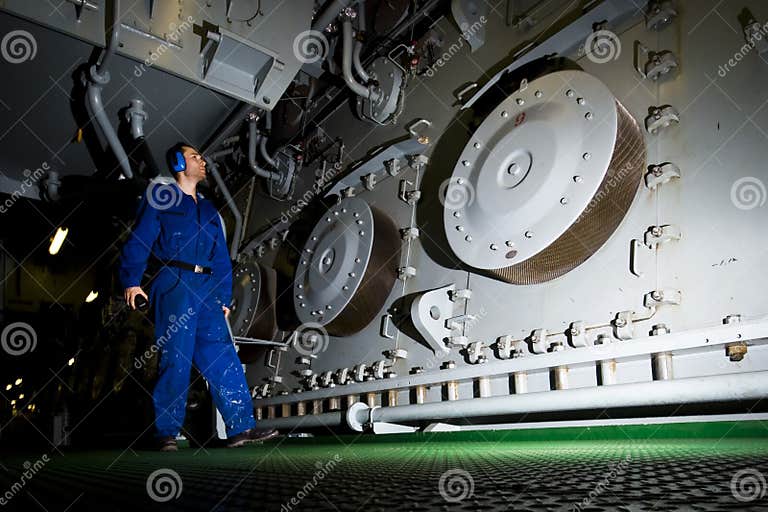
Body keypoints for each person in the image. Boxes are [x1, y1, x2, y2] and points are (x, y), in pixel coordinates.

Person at [118, 142, 278, 451]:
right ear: (179, 162)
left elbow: (220, 258)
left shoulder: (208, 209)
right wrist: (132, 280)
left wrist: (223, 297)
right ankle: (166, 431)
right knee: (176, 356)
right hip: (174, 281)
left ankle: (241, 427)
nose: (202, 162)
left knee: (223, 357)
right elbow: (140, 239)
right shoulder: (160, 197)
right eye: (195, 157)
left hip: (206, 288)